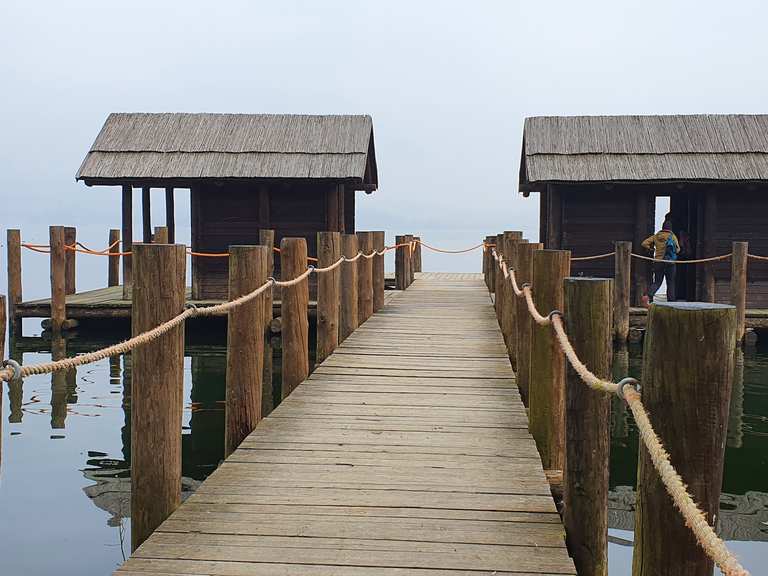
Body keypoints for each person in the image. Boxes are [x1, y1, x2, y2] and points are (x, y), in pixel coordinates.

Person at [641, 220, 680, 306]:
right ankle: (671, 303)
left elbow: (644, 243)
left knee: (657, 282)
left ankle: (647, 295)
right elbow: (678, 250)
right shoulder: (672, 236)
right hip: (670, 262)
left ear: (662, 227)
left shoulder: (656, 236)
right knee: (670, 283)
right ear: (670, 228)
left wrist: (652, 249)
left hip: (658, 262)